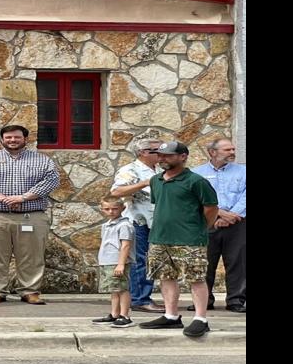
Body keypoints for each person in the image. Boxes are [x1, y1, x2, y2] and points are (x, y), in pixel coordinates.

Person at [0, 124, 59, 304]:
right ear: (2, 139)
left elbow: (51, 180)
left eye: (17, 137)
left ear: (25, 139)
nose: (12, 140)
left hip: (31, 215)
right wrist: (2, 198)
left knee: (31, 255)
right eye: (8, 137)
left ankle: (30, 291)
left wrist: (23, 197)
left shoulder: (42, 161)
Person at [137, 141, 218, 338]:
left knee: (196, 277)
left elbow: (211, 208)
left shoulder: (196, 181)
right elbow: (162, 205)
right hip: (160, 237)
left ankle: (200, 319)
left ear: (183, 156)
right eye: (160, 155)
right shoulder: (156, 180)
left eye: (168, 155)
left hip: (189, 238)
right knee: (165, 276)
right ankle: (171, 315)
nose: (162, 158)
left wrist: (201, 228)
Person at [193, 137, 245, 313]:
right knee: (205, 262)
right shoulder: (196, 173)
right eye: (227, 150)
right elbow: (195, 199)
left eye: (232, 149)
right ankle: (204, 300)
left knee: (238, 262)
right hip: (207, 222)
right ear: (212, 152)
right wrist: (220, 214)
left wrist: (232, 215)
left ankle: (236, 300)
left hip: (238, 223)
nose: (232, 152)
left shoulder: (243, 171)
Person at [110, 137, 162, 313]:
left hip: (158, 222)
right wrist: (143, 183)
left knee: (151, 259)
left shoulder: (160, 169)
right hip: (138, 221)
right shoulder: (130, 170)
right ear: (143, 153)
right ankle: (140, 299)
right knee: (141, 259)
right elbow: (116, 191)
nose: (162, 152)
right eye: (157, 149)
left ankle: (143, 296)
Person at [90, 197, 135, 328]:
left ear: (123, 208)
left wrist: (121, 263)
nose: (111, 211)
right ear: (102, 209)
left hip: (117, 261)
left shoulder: (125, 225)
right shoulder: (107, 225)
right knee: (114, 289)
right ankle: (114, 314)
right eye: (107, 209)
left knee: (122, 289)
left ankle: (125, 315)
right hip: (107, 261)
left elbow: (125, 245)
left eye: (114, 209)